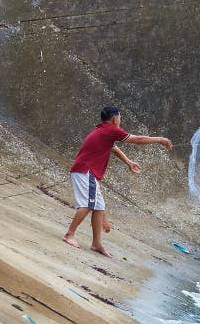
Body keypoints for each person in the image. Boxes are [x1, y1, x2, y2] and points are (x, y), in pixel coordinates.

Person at [63, 106, 173, 257]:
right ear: (115, 119)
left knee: (99, 206)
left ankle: (96, 244)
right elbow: (137, 140)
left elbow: (113, 148)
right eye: (120, 118)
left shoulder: (103, 129)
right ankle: (69, 234)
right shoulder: (111, 130)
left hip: (86, 172)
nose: (120, 121)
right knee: (87, 205)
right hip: (85, 171)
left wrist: (128, 162)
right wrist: (160, 140)